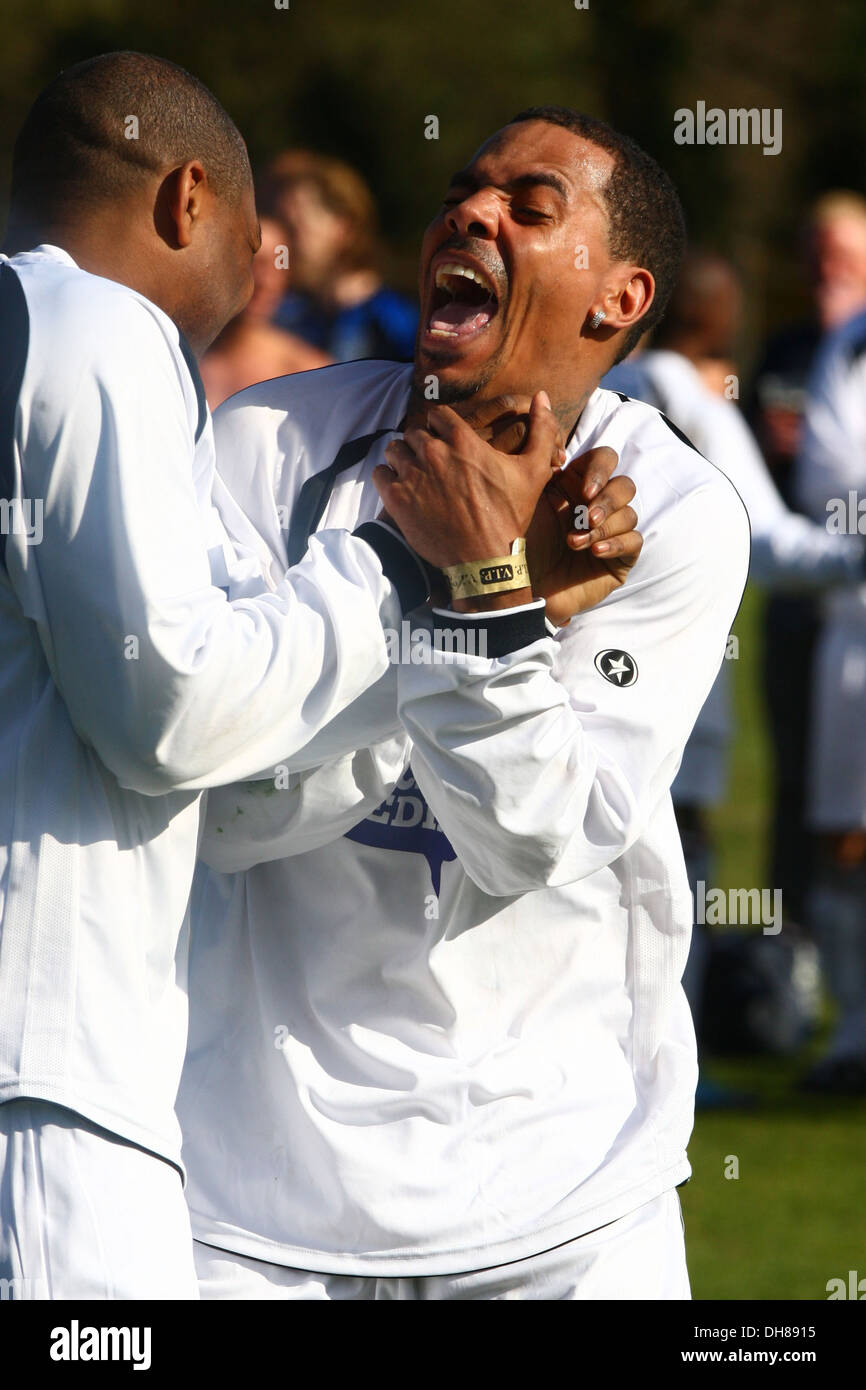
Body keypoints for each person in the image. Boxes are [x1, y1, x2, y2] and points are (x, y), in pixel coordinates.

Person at [0, 54, 584, 1299]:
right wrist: (424, 564)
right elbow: (172, 712)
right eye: (253, 241)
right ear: (187, 201)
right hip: (48, 1068)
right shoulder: (101, 326)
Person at [178, 106, 749, 1301]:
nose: (471, 213)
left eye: (530, 208)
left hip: (563, 1198)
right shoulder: (260, 448)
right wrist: (493, 598)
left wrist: (478, 600)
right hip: (253, 1192)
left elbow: (529, 839)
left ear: (620, 298)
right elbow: (216, 813)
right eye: (461, 192)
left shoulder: (673, 513)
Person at [605, 254, 865, 1098]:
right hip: (677, 673)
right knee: (674, 864)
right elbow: (769, 544)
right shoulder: (687, 398)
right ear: (711, 316)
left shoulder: (619, 378)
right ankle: (669, 1066)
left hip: (609, 660)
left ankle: (637, 1059)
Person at [748, 192, 866, 925]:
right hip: (803, 587)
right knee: (803, 777)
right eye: (817, 254)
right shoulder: (787, 349)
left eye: (844, 254)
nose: (828, 268)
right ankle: (786, 944)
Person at [794, 307, 866, 1094]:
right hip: (857, 623)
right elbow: (826, 478)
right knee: (848, 836)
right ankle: (853, 1035)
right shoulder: (852, 343)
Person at [263, 150, 418, 361]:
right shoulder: (284, 315)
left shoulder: (393, 322)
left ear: (343, 228)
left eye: (295, 228)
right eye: (282, 227)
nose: (284, 246)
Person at [201, 212, 331, 408]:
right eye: (254, 263)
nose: (266, 281)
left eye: (279, 265)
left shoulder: (310, 372)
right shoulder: (182, 361)